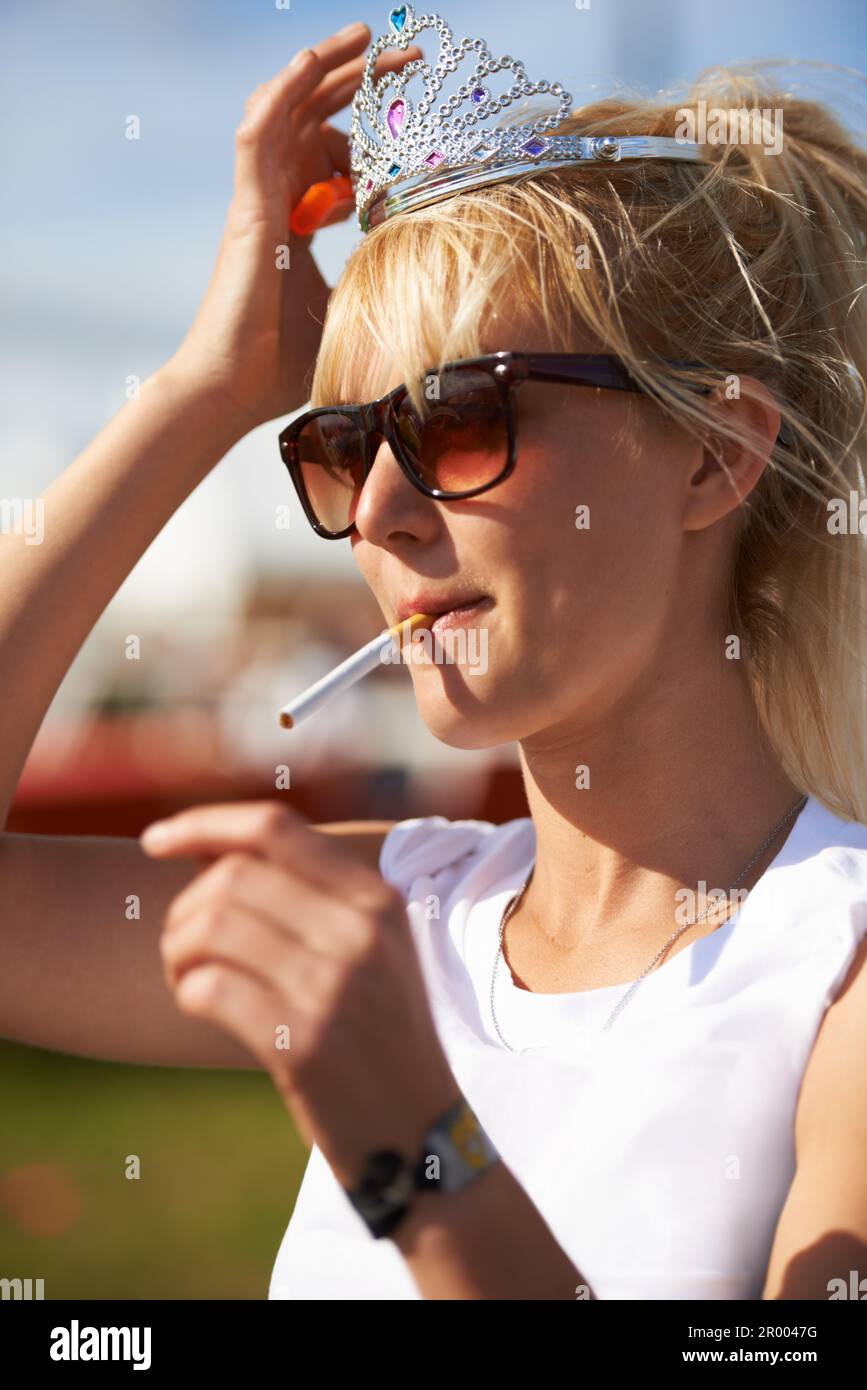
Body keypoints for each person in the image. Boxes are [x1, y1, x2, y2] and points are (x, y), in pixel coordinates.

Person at [1, 15, 866, 1302]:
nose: (380, 511)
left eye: (463, 419)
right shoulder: (404, 915)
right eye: (342, 446)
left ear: (710, 452)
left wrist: (420, 1147)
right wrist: (208, 385)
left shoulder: (835, 967)